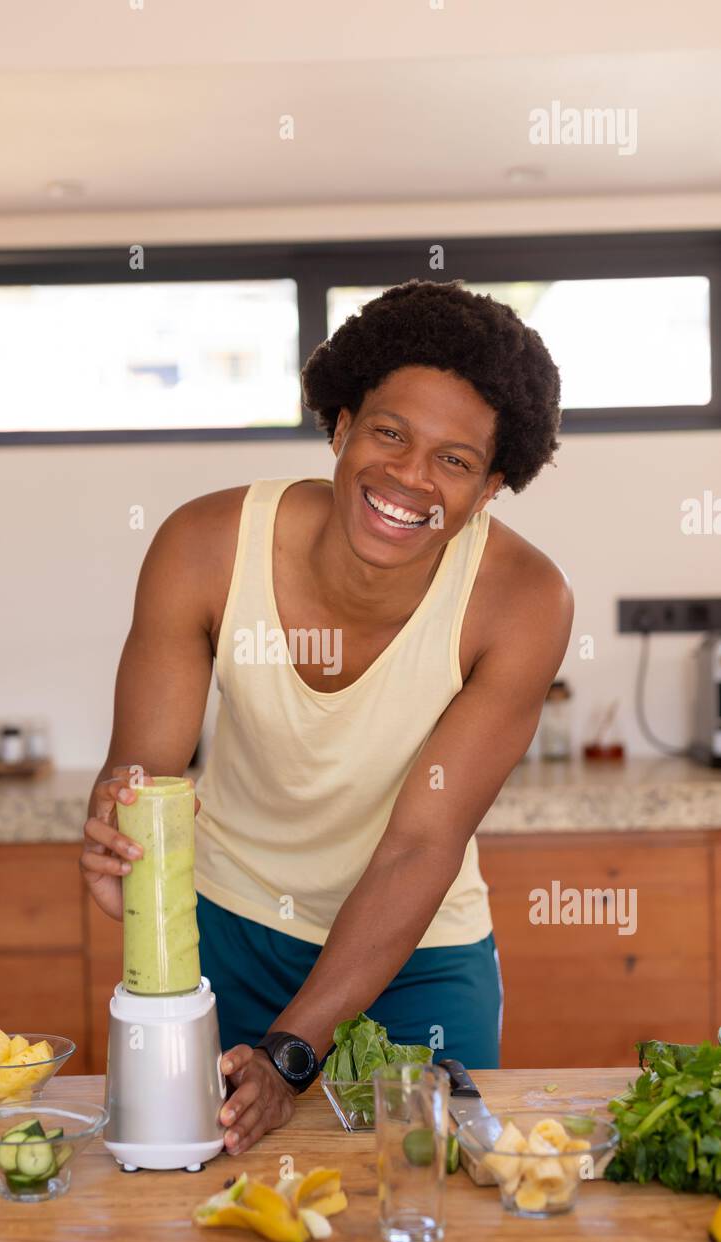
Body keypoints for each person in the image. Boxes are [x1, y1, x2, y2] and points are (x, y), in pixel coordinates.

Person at [82, 279, 572, 1157]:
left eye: (455, 461)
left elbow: (421, 845)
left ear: (492, 486)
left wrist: (291, 1050)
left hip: (419, 953)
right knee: (207, 1218)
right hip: (224, 932)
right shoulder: (205, 546)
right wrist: (118, 836)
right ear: (340, 426)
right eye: (390, 433)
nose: (410, 478)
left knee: (435, 1218)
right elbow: (146, 774)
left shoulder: (522, 602)